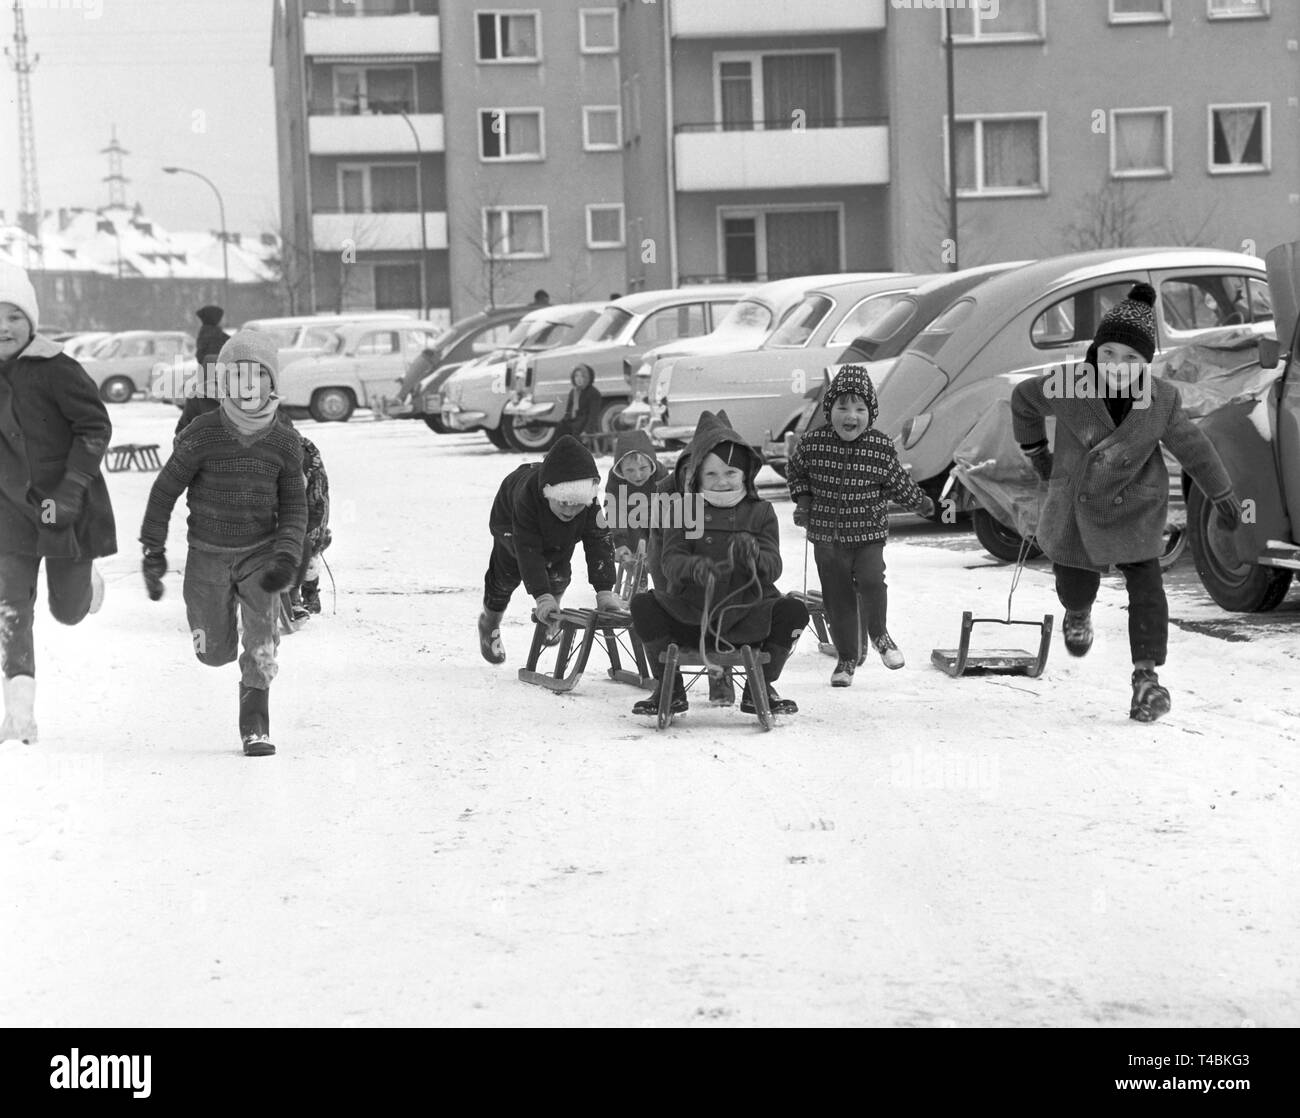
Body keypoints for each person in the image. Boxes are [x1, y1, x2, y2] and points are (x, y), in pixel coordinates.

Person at [1011, 282, 1242, 722]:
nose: (1118, 365)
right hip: (1076, 511)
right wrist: (1037, 452)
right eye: (1109, 353)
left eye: (1132, 358)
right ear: (1095, 352)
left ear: (1146, 363)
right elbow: (1022, 401)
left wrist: (1222, 492)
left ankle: (1146, 678)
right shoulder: (1066, 386)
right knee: (1075, 586)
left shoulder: (1161, 400)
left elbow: (1195, 448)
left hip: (1136, 507)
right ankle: (1077, 613)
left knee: (1149, 592)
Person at [140, 330, 307, 756]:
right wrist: (153, 551)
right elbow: (163, 492)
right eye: (237, 376)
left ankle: (256, 726)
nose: (248, 386)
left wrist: (287, 556)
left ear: (272, 383)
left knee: (263, 645)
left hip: (261, 555)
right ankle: (220, 637)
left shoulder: (286, 442)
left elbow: (294, 508)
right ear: (221, 384)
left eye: (258, 376)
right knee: (214, 653)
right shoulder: (202, 434)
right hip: (208, 558)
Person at [0, 263, 115, 744]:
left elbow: (95, 428)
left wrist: (70, 492)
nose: (3, 327)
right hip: (8, 512)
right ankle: (19, 715)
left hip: (64, 508)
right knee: (9, 609)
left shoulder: (58, 369)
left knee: (66, 612)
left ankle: (85, 581)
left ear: (32, 321)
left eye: (13, 316)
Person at [629, 410, 809, 718]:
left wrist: (753, 555)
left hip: (746, 613)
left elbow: (774, 566)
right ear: (696, 476)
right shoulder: (684, 509)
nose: (722, 482)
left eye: (730, 473)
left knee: (793, 611)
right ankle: (669, 687)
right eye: (711, 474)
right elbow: (670, 560)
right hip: (691, 613)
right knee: (643, 605)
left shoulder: (760, 511)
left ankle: (761, 686)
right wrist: (694, 568)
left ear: (744, 475)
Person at [787, 365, 934, 687]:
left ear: (871, 412)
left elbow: (898, 481)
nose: (849, 415)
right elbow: (796, 473)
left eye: (859, 408)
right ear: (830, 410)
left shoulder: (879, 447)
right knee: (837, 599)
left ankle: (880, 635)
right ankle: (847, 659)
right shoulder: (812, 445)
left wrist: (920, 503)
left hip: (868, 533)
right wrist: (804, 500)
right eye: (842, 407)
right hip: (826, 537)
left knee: (870, 580)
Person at [478, 434, 620, 664]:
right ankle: (489, 622)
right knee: (506, 577)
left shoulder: (588, 502)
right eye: (563, 502)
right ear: (548, 493)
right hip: (509, 524)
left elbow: (599, 541)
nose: (570, 510)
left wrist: (604, 590)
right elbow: (527, 549)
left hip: (557, 533)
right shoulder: (527, 496)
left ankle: (550, 618)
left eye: (577, 505)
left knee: (559, 574)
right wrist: (541, 596)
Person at [604, 429, 668, 566]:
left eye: (643, 468)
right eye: (630, 470)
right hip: (630, 522)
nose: (637, 476)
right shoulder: (616, 479)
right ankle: (638, 579)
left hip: (656, 520)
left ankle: (662, 581)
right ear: (620, 469)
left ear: (651, 463)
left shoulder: (660, 474)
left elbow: (669, 507)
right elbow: (615, 510)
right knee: (632, 552)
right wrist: (620, 542)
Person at [288, 434, 331, 623]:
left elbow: (318, 504)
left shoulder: (306, 454)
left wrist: (314, 540)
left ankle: (307, 592)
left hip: (303, 512)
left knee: (307, 546)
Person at [175, 304, 230, 435]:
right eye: (222, 317)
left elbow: (182, 432)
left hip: (208, 383)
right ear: (216, 319)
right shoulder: (218, 338)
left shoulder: (204, 335)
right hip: (219, 385)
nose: (225, 320)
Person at [553, 363, 603, 443]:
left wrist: (587, 430)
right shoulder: (573, 391)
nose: (579, 379)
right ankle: (556, 451)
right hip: (573, 420)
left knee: (576, 430)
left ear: (588, 378)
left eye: (582, 376)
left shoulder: (593, 393)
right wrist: (565, 421)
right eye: (576, 376)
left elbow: (593, 415)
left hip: (585, 422)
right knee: (560, 427)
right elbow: (568, 410)